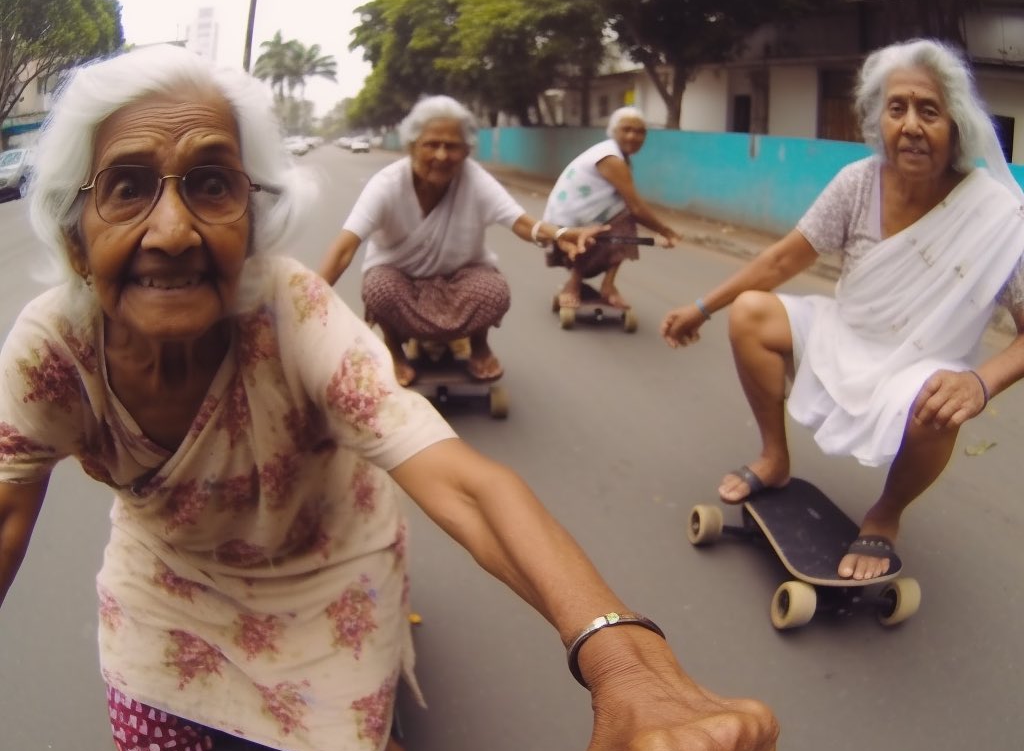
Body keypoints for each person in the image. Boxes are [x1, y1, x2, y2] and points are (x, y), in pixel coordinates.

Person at [0, 46, 778, 751]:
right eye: (127, 189)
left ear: (252, 218)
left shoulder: (287, 306)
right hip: (171, 573)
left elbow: (462, 478)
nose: (172, 233)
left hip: (323, 556)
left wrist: (627, 661)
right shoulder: (52, 350)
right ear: (74, 228)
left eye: (211, 185)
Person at [660, 38, 1024, 581]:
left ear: (959, 124)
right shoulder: (857, 182)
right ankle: (774, 457)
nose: (910, 125)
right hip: (843, 331)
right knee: (752, 313)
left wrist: (979, 383)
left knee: (941, 399)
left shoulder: (997, 217)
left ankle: (885, 514)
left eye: (929, 110)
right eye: (895, 108)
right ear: (878, 119)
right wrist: (702, 306)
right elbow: (783, 259)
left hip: (919, 363)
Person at [319, 95, 601, 387]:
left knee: (493, 289)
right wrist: (308, 299)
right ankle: (393, 347)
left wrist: (558, 234)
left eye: (452, 146)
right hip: (401, 280)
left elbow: (519, 221)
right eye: (432, 144)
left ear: (466, 151)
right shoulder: (386, 184)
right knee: (378, 287)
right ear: (412, 146)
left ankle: (479, 344)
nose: (442, 155)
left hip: (460, 278)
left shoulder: (475, 179)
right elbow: (344, 248)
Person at [542, 107, 682, 310]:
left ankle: (608, 286)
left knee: (622, 218)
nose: (633, 136)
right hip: (564, 230)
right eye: (626, 129)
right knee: (625, 217)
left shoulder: (614, 154)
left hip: (573, 221)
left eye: (640, 131)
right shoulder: (611, 159)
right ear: (613, 131)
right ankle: (573, 285)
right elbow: (636, 208)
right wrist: (667, 232)